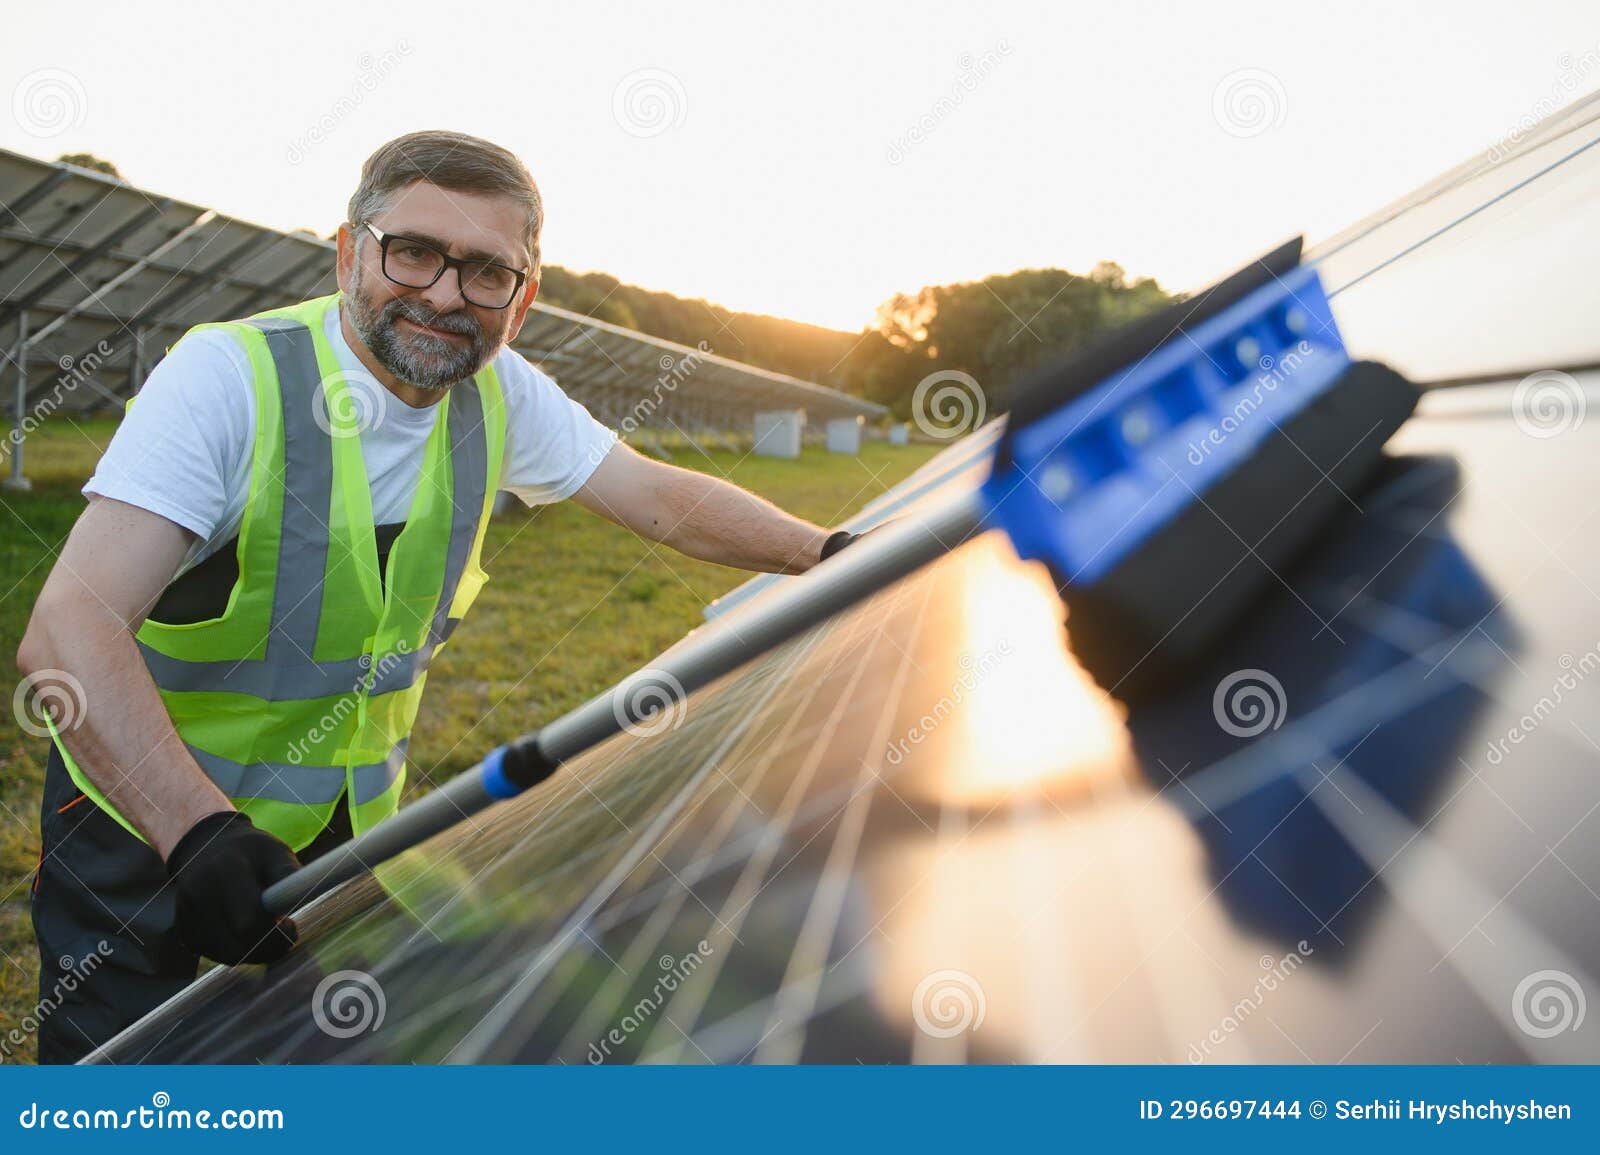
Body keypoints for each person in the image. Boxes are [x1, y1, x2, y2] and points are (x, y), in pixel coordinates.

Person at [16, 129, 863, 1064]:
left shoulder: (498, 391)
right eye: (412, 252)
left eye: (486, 271)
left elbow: (656, 494)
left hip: (343, 845)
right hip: (145, 824)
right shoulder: (228, 379)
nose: (445, 294)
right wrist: (194, 828)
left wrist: (827, 552)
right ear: (349, 252)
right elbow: (66, 629)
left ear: (524, 298)